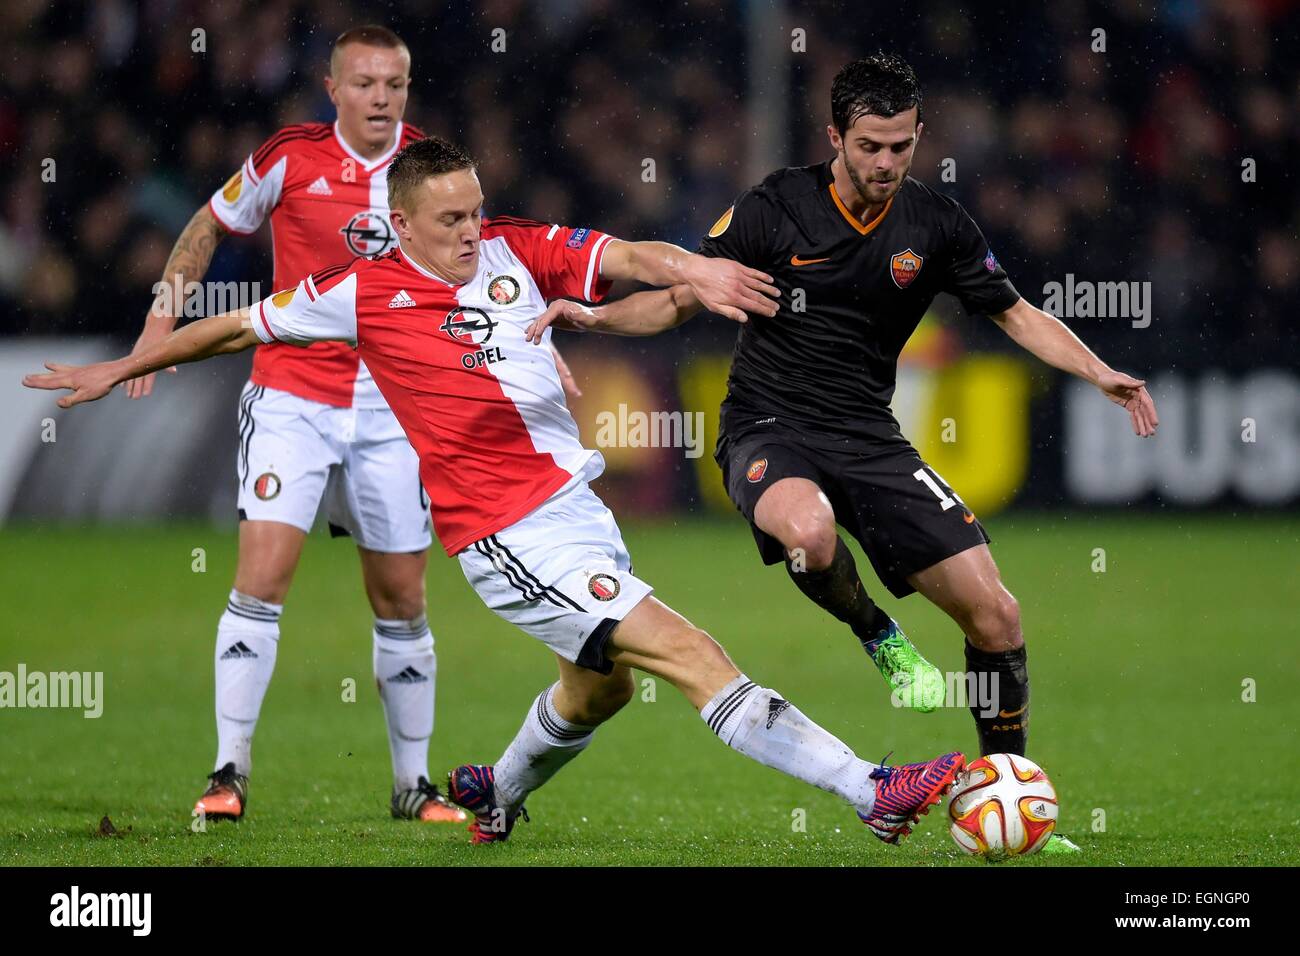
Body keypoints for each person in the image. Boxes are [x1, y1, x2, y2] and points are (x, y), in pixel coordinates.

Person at [26, 135, 966, 848]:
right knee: (690, 654)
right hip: (505, 534)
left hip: (575, 510)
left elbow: (630, 256)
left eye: (476, 211)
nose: (472, 231)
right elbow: (237, 328)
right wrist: (128, 362)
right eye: (450, 220)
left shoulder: (516, 249)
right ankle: (871, 791)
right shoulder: (362, 292)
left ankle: (497, 796)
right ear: (401, 226)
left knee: (597, 692)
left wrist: (694, 266)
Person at [525, 54, 1160, 855]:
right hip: (766, 425)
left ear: (919, 136)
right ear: (834, 137)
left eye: (901, 145)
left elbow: (1016, 313)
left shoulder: (936, 225)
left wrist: (1099, 372)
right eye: (870, 146)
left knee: (997, 614)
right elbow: (683, 297)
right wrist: (593, 318)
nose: (887, 163)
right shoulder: (774, 208)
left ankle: (1006, 787)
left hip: (868, 435)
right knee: (810, 533)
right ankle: (878, 634)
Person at [121, 24, 567, 825]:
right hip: (291, 397)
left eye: (394, 84)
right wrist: (162, 318)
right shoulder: (290, 157)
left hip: (394, 407)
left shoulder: (428, 169)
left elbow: (489, 263)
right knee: (262, 576)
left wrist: (542, 346)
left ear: (408, 88)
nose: (380, 98)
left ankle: (411, 785)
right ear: (333, 89)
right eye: (364, 83)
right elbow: (209, 222)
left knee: (401, 596)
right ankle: (229, 772)